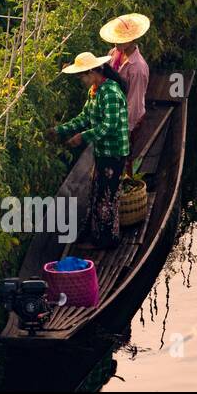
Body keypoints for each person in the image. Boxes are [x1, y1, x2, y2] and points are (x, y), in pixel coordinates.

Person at [46, 52, 131, 248]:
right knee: (97, 191)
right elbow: (83, 118)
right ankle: (96, 234)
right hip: (102, 150)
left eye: (82, 76)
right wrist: (59, 131)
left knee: (107, 196)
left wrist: (82, 137)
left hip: (114, 151)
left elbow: (109, 125)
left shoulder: (110, 92)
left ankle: (107, 241)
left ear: (93, 71)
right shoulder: (95, 91)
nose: (81, 80)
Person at [100, 13, 151, 136]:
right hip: (114, 109)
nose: (117, 43)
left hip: (129, 118)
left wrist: (126, 130)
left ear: (132, 39)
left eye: (121, 39)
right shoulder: (114, 53)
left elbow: (134, 102)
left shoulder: (138, 67)